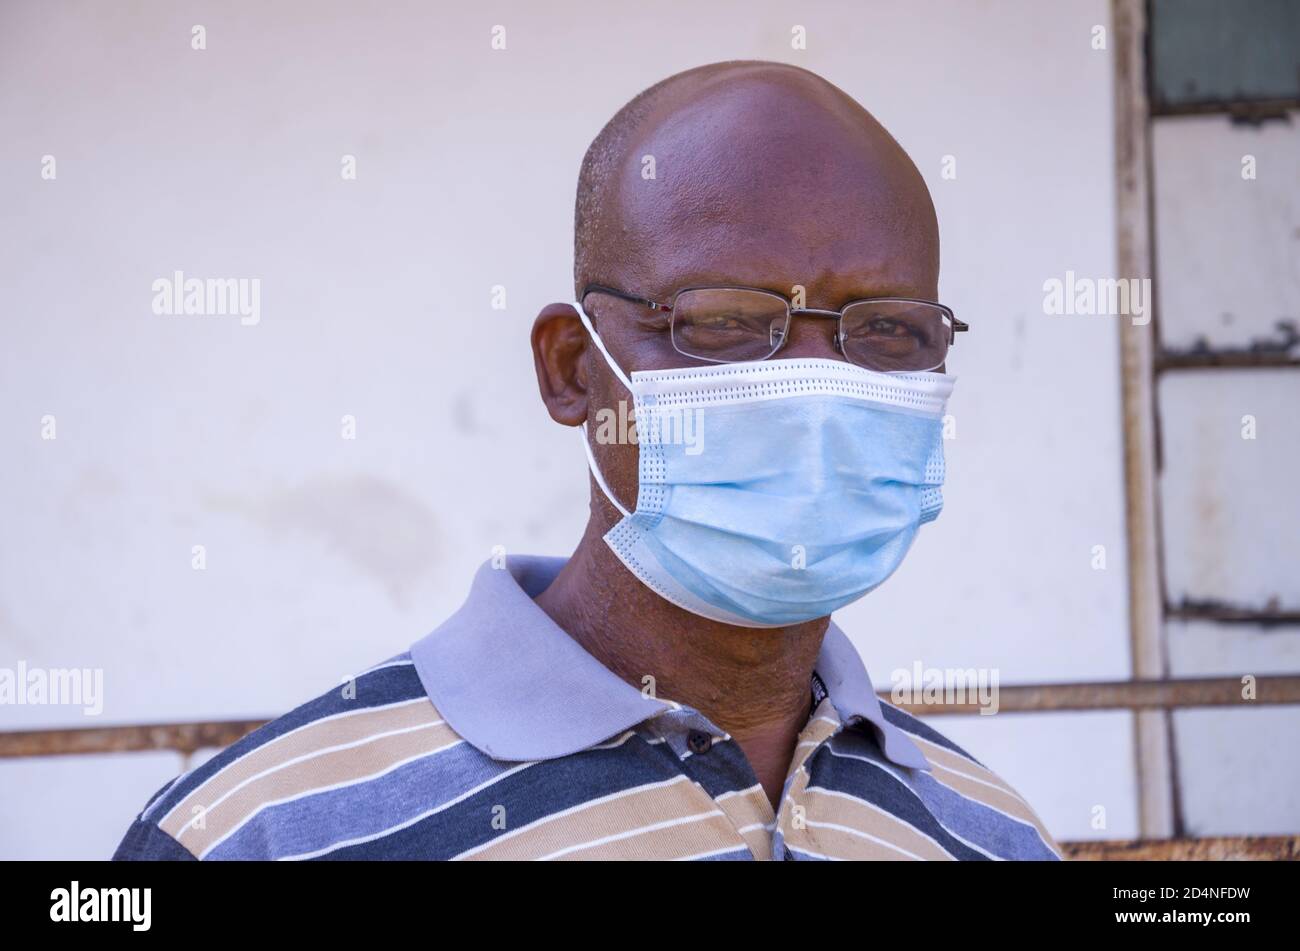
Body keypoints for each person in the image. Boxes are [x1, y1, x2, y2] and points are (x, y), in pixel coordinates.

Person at [114, 60, 1061, 861]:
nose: (814, 392)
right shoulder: (256, 834)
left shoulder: (991, 836)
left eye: (887, 331)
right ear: (572, 369)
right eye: (725, 320)